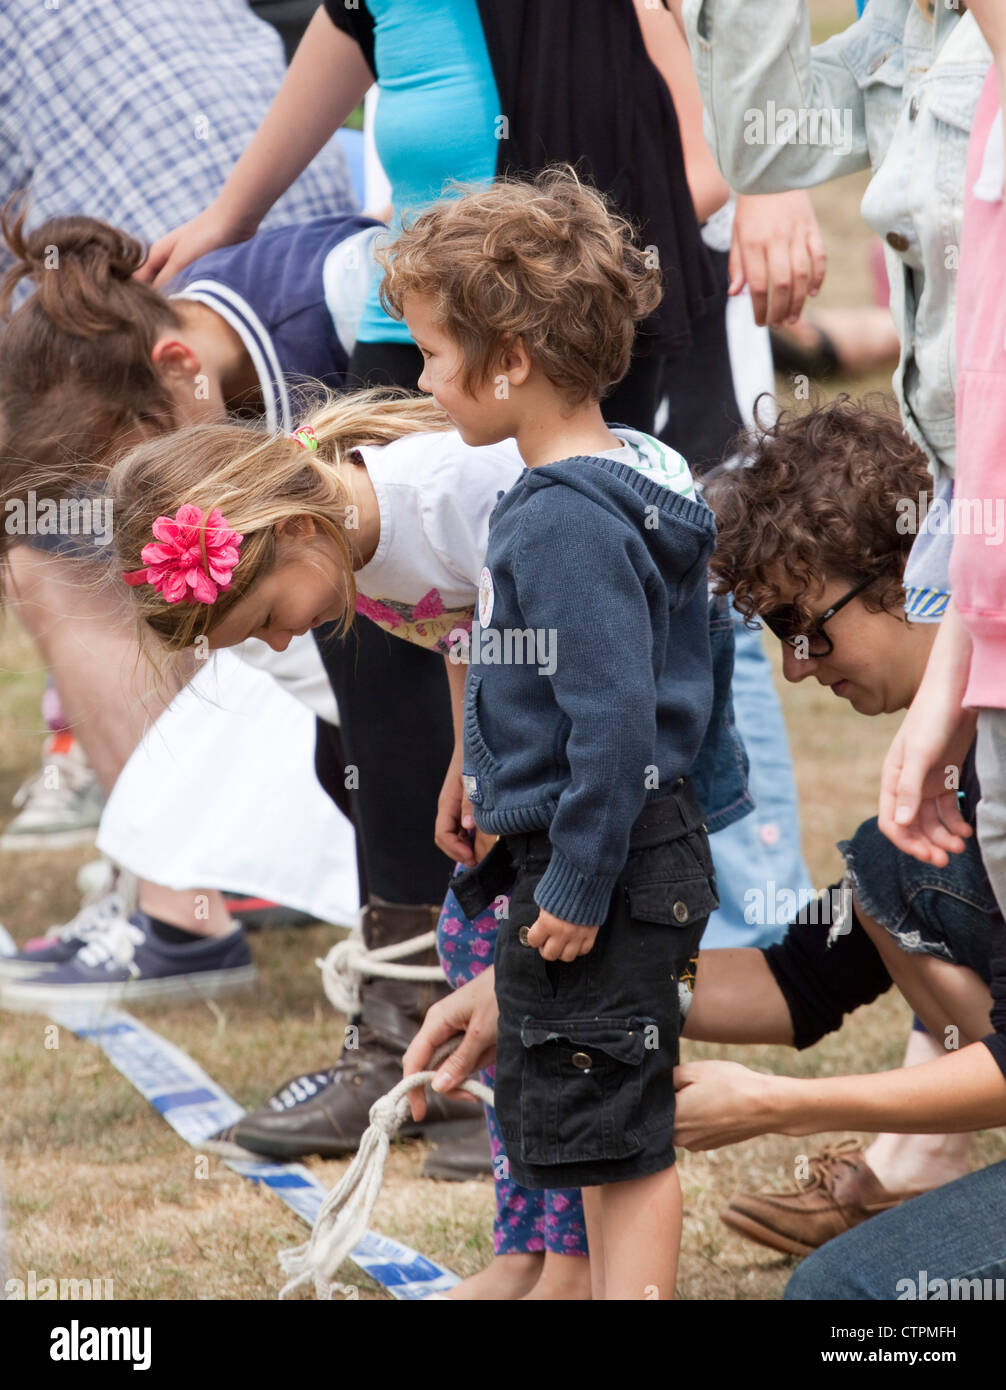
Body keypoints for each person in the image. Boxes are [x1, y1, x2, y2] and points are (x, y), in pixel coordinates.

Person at [403, 396, 1006, 1287]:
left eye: (808, 625)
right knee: (884, 866)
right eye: (777, 635)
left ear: (907, 573)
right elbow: (802, 981)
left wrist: (778, 1107)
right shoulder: (936, 795)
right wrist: (544, 991)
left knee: (845, 1299)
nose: (797, 665)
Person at [373, 169, 719, 1301]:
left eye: (430, 352)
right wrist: (484, 761)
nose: (421, 379)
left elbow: (611, 720)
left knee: (619, 1126)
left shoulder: (563, 517)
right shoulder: (596, 488)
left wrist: (572, 883)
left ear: (508, 360)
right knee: (592, 1114)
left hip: (605, 865)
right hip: (605, 850)